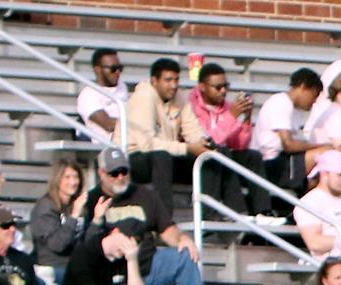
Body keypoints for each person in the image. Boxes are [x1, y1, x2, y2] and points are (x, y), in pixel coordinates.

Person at [75, 144, 212, 285]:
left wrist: (182, 238)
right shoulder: (92, 200)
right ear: (102, 173)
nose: (121, 177)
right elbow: (87, 246)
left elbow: (166, 228)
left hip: (150, 262)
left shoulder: (144, 194)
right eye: (114, 173)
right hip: (117, 272)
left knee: (184, 255)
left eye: (124, 171)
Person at [189, 62, 272, 219]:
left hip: (223, 154)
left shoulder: (227, 107)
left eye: (226, 86)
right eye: (218, 87)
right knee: (221, 152)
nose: (223, 91)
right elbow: (208, 140)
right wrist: (232, 116)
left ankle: (263, 211)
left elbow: (238, 144)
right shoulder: (192, 108)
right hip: (200, 156)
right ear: (202, 87)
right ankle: (237, 211)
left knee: (252, 156)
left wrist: (246, 119)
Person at [123, 57, 206, 203]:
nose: (173, 85)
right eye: (168, 80)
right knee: (161, 158)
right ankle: (164, 220)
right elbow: (147, 145)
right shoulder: (143, 97)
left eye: (176, 80)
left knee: (211, 157)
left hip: (167, 155)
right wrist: (188, 148)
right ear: (154, 81)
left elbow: (192, 129)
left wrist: (202, 143)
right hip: (134, 157)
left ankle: (224, 213)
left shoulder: (179, 97)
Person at [253, 67, 322, 195]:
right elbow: (288, 144)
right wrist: (320, 146)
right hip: (270, 163)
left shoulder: (295, 110)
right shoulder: (281, 103)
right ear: (303, 87)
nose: (314, 101)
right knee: (325, 153)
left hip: (282, 159)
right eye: (314, 95)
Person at [27, 155, 87, 278]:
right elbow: (57, 244)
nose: (73, 182)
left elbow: (88, 240)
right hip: (52, 268)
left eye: (76, 177)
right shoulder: (45, 207)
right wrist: (74, 216)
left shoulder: (77, 204)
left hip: (76, 264)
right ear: (57, 179)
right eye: (67, 177)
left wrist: (97, 219)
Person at [76, 49, 127, 145]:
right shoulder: (89, 94)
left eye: (120, 68)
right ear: (97, 70)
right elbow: (108, 124)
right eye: (113, 69)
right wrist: (138, 124)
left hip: (130, 138)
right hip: (109, 145)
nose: (117, 72)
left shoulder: (122, 86)